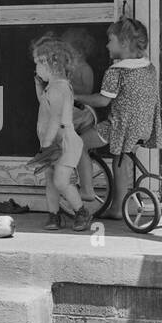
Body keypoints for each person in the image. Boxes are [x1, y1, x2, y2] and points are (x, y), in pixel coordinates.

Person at [73, 16, 162, 220]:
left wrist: (76, 96)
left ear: (124, 43)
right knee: (120, 160)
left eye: (110, 40)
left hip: (120, 127)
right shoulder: (147, 67)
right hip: (143, 126)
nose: (106, 45)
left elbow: (103, 101)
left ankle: (86, 189)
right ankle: (118, 207)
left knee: (78, 143)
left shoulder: (116, 71)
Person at [29, 36, 91, 232]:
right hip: (55, 142)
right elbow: (45, 105)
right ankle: (54, 215)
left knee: (60, 181)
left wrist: (46, 144)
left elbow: (56, 118)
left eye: (38, 64)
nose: (36, 69)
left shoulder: (59, 88)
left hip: (63, 142)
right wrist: (39, 86)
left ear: (50, 64)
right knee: (50, 180)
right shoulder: (54, 86)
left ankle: (81, 212)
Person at [62, 27, 99, 201]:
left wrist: (70, 88)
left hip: (82, 112)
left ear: (81, 51)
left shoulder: (85, 69)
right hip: (71, 110)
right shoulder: (68, 68)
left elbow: (88, 90)